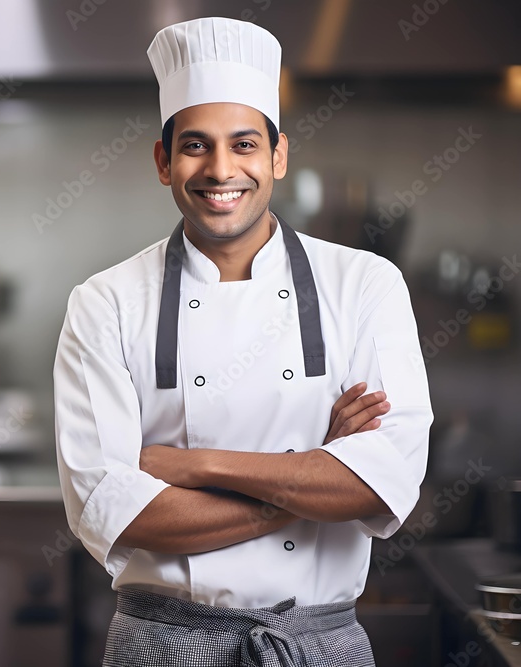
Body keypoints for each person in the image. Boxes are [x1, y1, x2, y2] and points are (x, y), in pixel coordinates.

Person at [52, 17, 433, 666]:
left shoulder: (365, 283)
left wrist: (198, 464)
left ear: (278, 155)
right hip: (161, 643)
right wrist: (316, 470)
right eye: (196, 145)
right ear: (163, 160)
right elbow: (112, 510)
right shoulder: (105, 303)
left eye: (244, 144)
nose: (221, 169)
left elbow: (381, 484)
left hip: (320, 642)